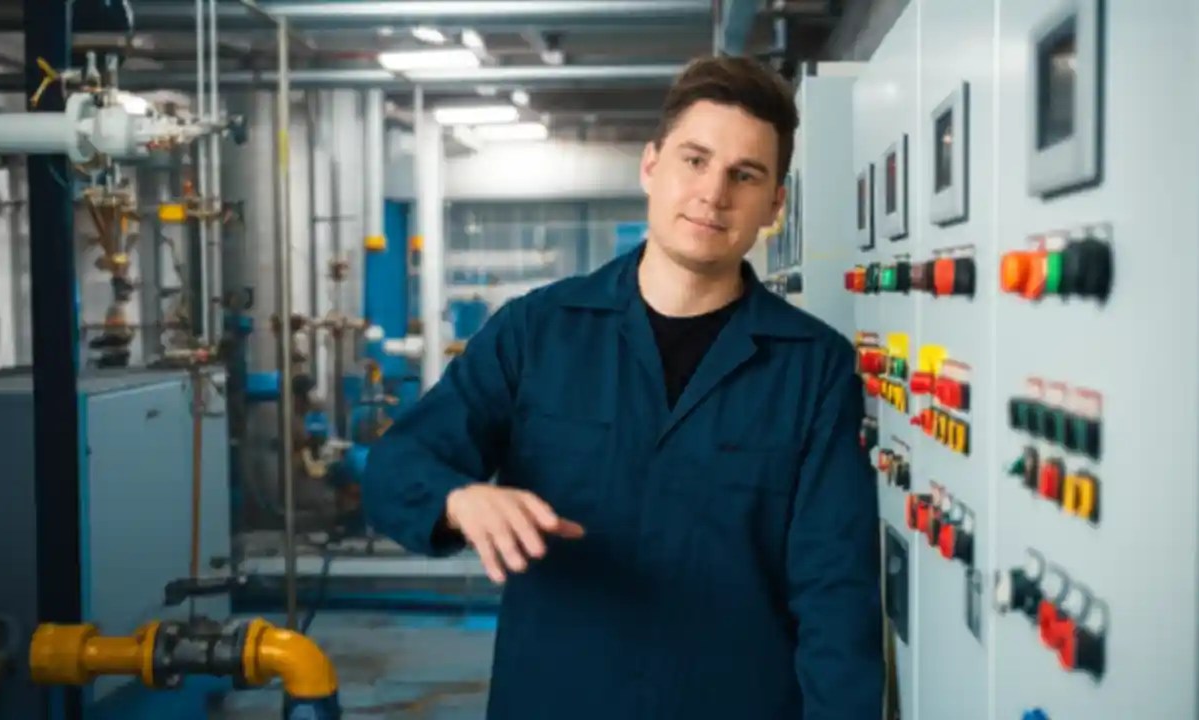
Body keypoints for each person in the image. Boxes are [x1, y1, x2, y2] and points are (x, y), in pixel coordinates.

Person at [363, 55, 884, 719]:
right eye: (694, 160)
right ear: (651, 166)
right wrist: (459, 498)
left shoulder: (814, 368)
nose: (713, 192)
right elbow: (394, 467)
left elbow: (835, 599)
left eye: (744, 175)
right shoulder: (537, 332)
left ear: (774, 204)